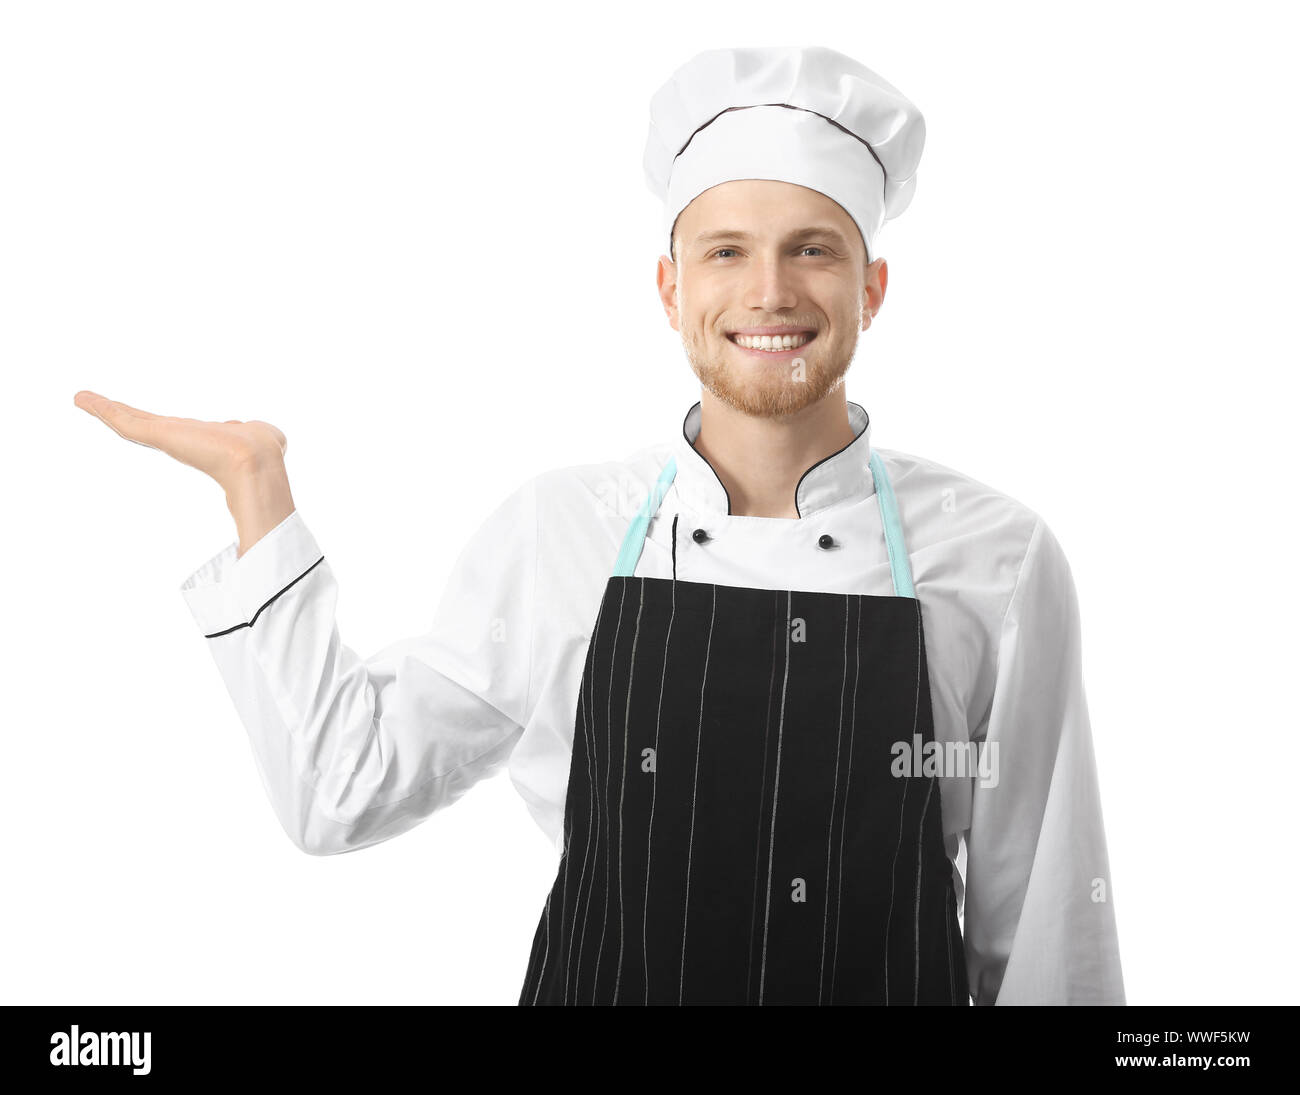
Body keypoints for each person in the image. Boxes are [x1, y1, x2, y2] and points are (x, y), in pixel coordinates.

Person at [72, 45, 1124, 1006]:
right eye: (724, 253)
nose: (768, 291)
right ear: (670, 290)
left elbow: (1039, 926)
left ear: (870, 288)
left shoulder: (996, 558)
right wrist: (259, 494)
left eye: (810, 250)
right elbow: (341, 793)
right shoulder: (562, 532)